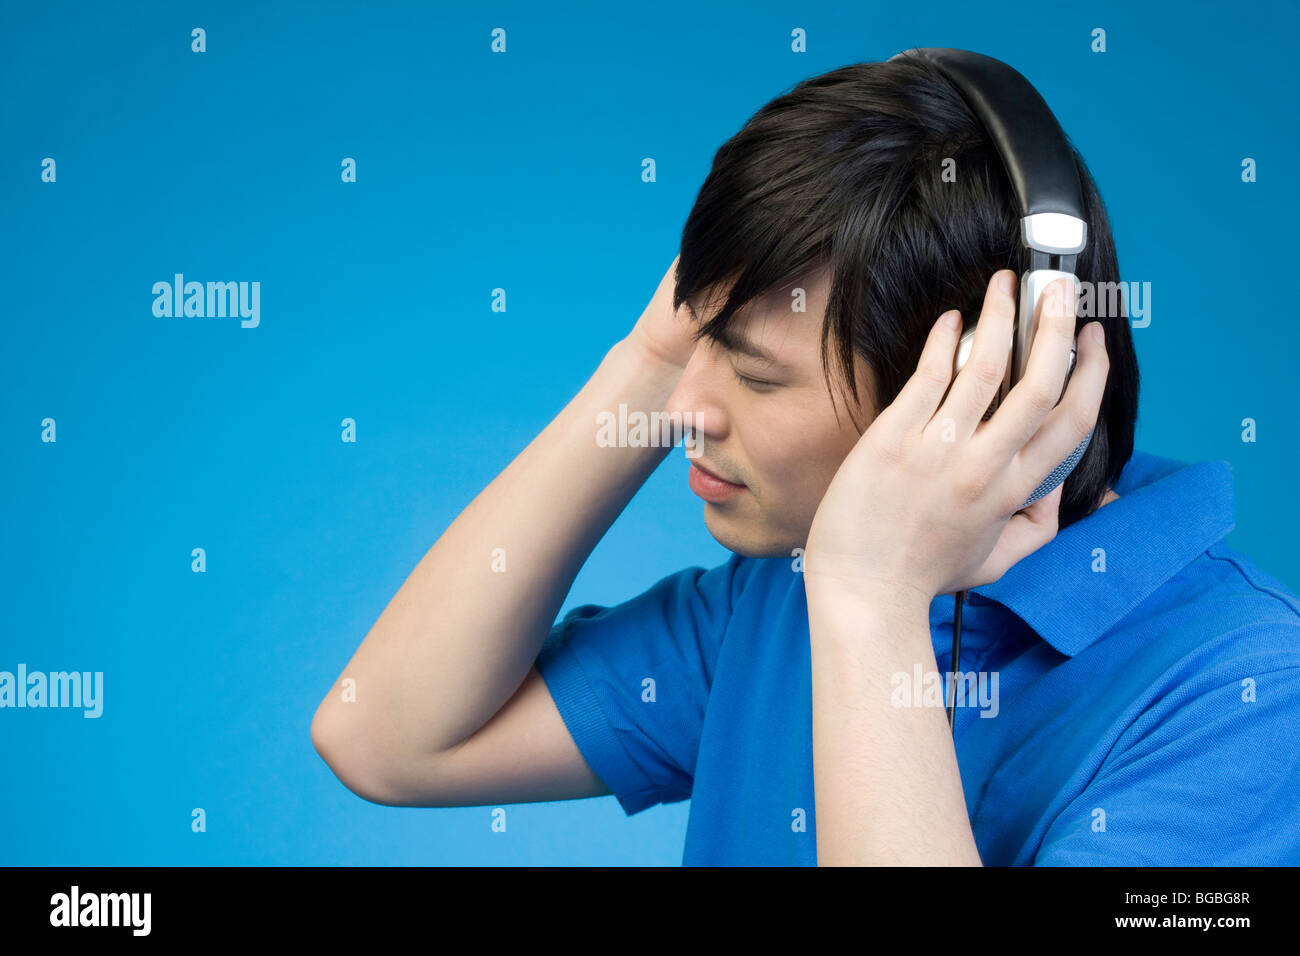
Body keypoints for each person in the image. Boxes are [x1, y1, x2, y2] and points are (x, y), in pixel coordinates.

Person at [310, 56, 1300, 865]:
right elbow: (386, 738)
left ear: (978, 387)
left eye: (757, 376)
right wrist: (645, 362)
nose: (683, 413)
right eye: (689, 346)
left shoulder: (1249, 697)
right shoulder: (773, 596)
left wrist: (868, 601)